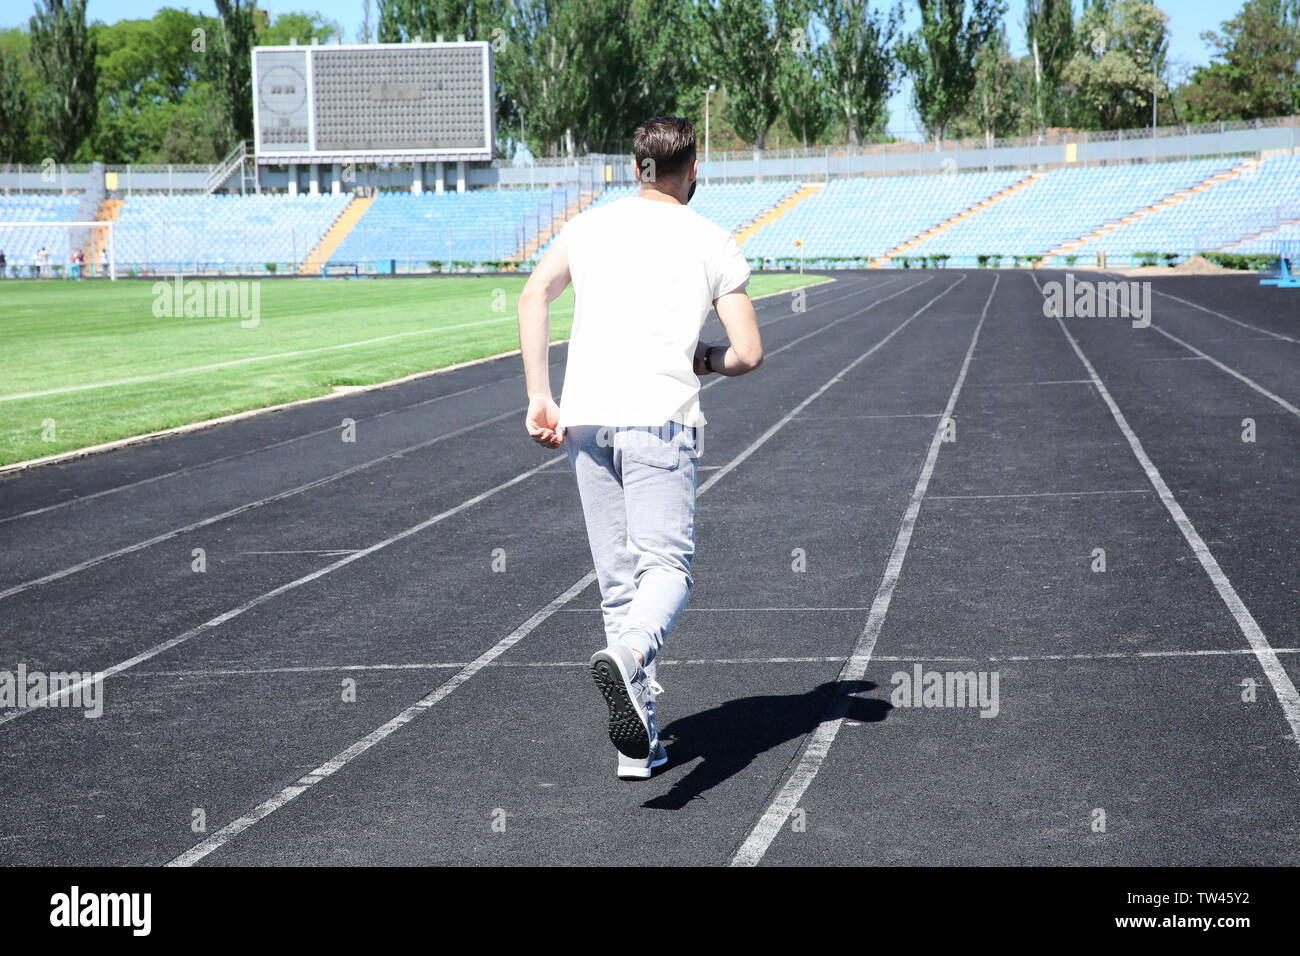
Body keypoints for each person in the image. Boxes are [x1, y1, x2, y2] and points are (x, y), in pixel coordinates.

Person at [515, 116, 764, 780]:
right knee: (669, 571)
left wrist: (541, 393)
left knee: (619, 583)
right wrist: (704, 359)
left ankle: (641, 746)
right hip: (660, 416)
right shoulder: (711, 238)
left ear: (636, 169)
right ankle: (628, 663)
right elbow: (748, 352)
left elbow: (534, 294)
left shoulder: (588, 227)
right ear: (693, 170)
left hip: (585, 421)